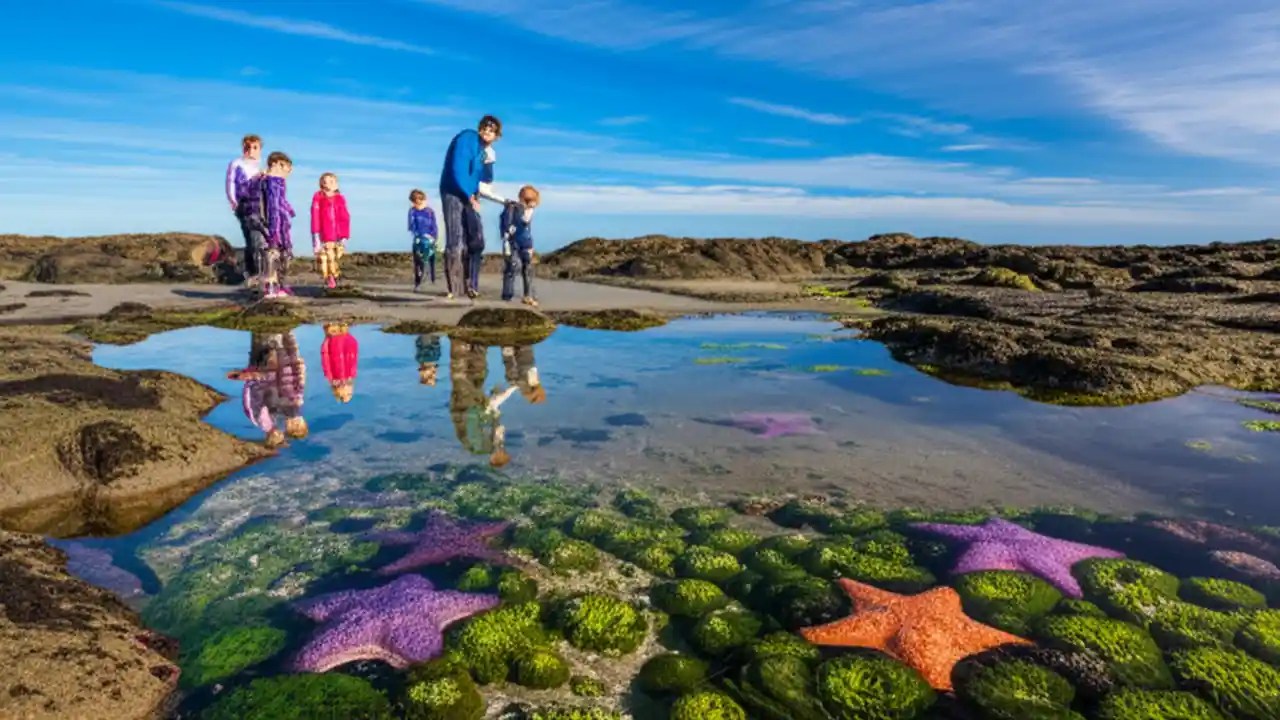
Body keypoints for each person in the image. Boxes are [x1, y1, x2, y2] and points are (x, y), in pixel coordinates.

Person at [439, 115, 502, 300]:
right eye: (485, 127)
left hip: (470, 194)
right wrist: (469, 195)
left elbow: (485, 179)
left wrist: (489, 161)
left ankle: (470, 285)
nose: (487, 131)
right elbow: (457, 169)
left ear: (497, 136)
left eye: (492, 131)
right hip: (452, 191)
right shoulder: (467, 138)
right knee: (455, 241)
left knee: (475, 241)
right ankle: (455, 290)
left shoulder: (484, 152)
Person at [240, 151, 296, 299]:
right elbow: (273, 207)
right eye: (286, 167)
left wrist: (289, 211)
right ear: (276, 164)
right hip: (266, 223)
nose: (288, 172)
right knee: (271, 254)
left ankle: (275, 286)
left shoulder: (260, 180)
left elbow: (278, 203)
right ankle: (270, 287)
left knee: (272, 254)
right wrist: (274, 231)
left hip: (259, 222)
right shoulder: (272, 181)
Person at [226, 134, 263, 287]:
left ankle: (258, 273)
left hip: (259, 208)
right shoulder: (236, 164)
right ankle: (252, 274)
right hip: (244, 206)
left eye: (255, 147)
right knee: (252, 239)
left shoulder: (261, 168)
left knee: (259, 240)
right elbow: (230, 184)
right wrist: (234, 203)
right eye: (247, 147)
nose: (251, 151)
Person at [500, 185, 541, 307]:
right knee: (512, 267)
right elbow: (507, 223)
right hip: (513, 241)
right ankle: (507, 295)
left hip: (525, 242)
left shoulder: (530, 211)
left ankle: (528, 295)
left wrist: (530, 245)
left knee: (527, 269)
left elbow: (527, 228)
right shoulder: (512, 208)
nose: (531, 204)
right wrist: (506, 238)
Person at [310, 172, 350, 290]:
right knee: (326, 257)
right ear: (321, 184)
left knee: (335, 258)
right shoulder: (318, 198)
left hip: (338, 235)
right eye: (325, 181)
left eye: (331, 181)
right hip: (324, 235)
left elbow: (345, 218)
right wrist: (316, 238)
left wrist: (344, 236)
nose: (328, 184)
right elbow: (315, 218)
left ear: (336, 185)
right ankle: (329, 278)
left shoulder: (340, 199)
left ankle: (335, 275)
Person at [407, 189, 440, 292]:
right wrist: (420, 235)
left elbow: (434, 225)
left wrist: (433, 237)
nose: (418, 202)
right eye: (415, 201)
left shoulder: (430, 211)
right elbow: (411, 226)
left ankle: (432, 280)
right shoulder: (412, 211)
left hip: (430, 239)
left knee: (432, 260)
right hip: (419, 240)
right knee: (418, 262)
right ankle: (418, 283)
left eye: (420, 200)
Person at [320, 322, 359, 402]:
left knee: (334, 331)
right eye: (349, 394)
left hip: (335, 345)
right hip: (346, 346)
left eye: (348, 394)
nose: (349, 392)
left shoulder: (331, 377)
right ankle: (341, 326)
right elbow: (354, 360)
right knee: (340, 332)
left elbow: (325, 360)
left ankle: (336, 326)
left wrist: (325, 343)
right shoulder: (351, 376)